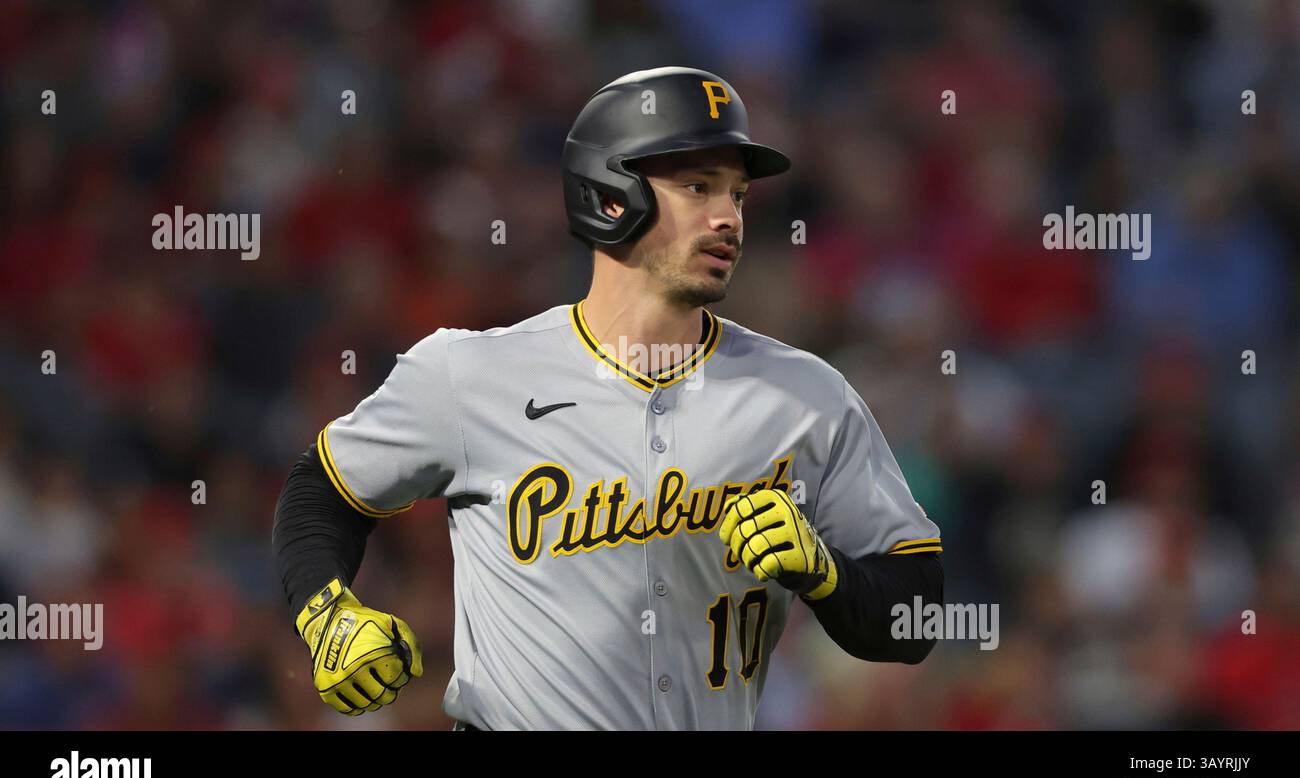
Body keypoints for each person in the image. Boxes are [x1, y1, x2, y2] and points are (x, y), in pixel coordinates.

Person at [272, 67, 944, 730]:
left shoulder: (805, 396)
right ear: (612, 196)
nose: (728, 218)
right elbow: (321, 489)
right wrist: (328, 616)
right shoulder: (471, 374)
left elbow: (916, 617)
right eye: (698, 187)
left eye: (737, 194)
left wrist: (826, 574)